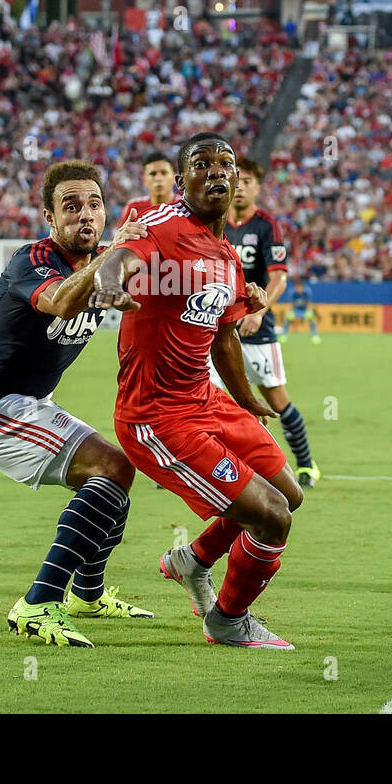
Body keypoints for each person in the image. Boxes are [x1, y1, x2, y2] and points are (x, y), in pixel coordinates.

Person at [92, 131, 303, 650]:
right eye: (201, 164)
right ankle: (228, 621)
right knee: (270, 516)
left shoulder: (227, 255)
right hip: (156, 417)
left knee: (289, 495)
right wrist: (110, 282)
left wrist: (247, 398)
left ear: (238, 180)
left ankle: (194, 560)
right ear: (182, 180)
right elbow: (123, 255)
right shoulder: (160, 226)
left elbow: (225, 336)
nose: (216, 172)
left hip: (208, 401)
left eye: (225, 164)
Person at [0, 161, 152, 648]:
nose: (85, 214)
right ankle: (37, 603)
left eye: (94, 205)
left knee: (118, 469)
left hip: (27, 400)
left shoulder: (103, 260)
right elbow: (60, 301)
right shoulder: (30, 260)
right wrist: (115, 253)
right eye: (71, 206)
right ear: (49, 217)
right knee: (109, 467)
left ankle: (87, 595)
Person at [210, 156, 320, 489]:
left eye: (247, 182)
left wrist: (258, 312)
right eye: (236, 180)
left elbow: (279, 278)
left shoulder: (266, 225)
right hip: (215, 328)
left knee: (275, 400)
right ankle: (214, 467)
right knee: (212, 399)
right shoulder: (213, 222)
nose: (240, 187)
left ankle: (305, 464)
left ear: (258, 187)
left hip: (256, 329)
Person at [119, 149, 175, 225]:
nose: (158, 178)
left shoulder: (186, 208)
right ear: (144, 179)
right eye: (153, 174)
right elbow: (121, 235)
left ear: (174, 178)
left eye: (164, 173)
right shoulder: (134, 207)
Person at [279, 279, 320, 344]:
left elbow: (309, 303)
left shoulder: (307, 292)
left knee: (312, 319)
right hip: (295, 310)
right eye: (297, 287)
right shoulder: (292, 292)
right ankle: (284, 335)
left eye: (300, 288)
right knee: (287, 320)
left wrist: (309, 311)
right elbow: (291, 304)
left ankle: (315, 336)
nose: (299, 289)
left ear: (303, 287)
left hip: (304, 310)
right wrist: (290, 312)